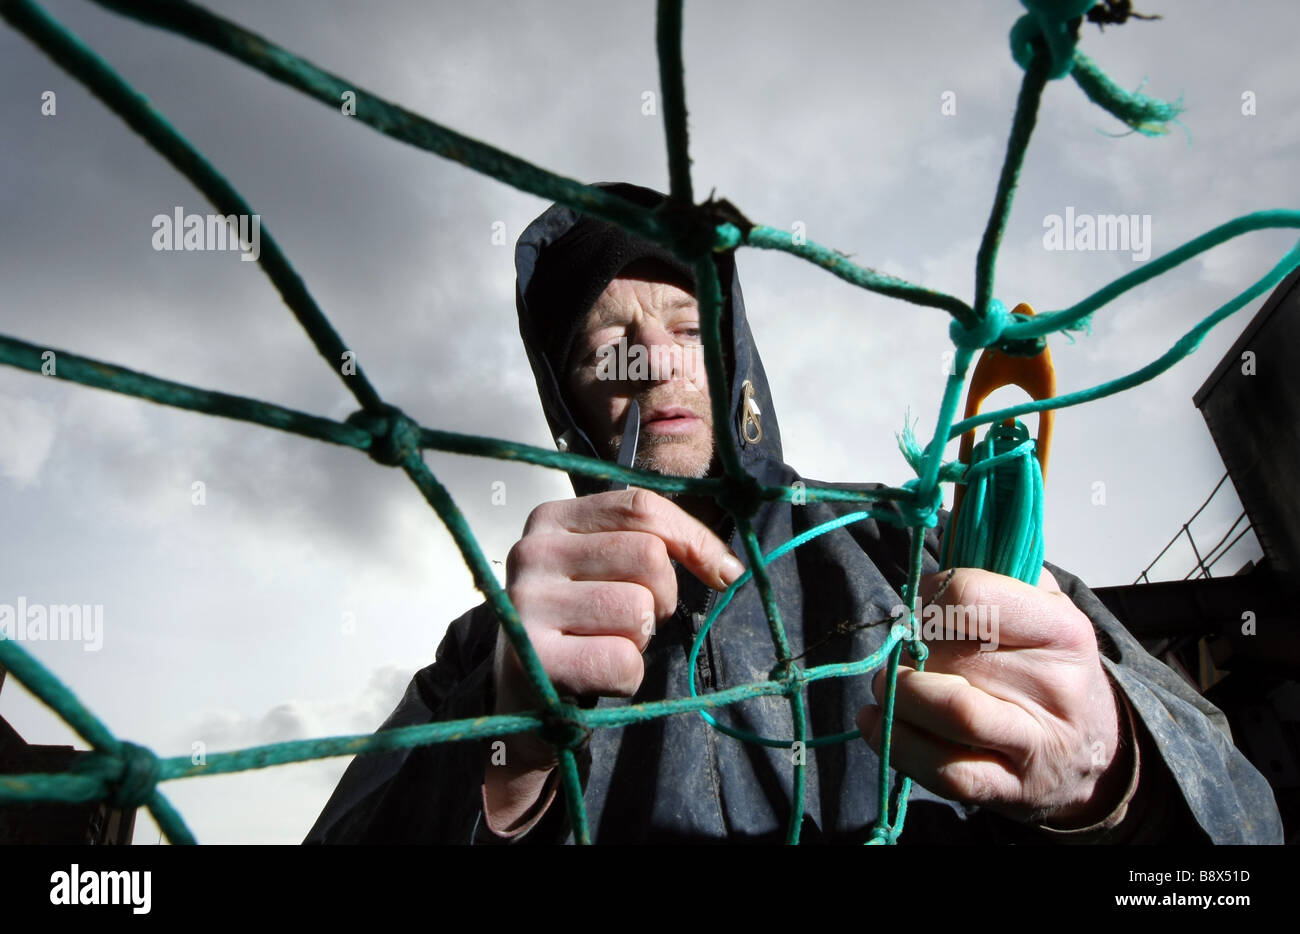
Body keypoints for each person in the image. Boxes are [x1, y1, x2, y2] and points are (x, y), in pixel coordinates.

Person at [304, 181, 1283, 844]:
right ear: (566, 406)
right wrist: (504, 759)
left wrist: (1111, 783)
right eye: (609, 349)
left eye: (687, 325)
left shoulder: (914, 549)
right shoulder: (487, 650)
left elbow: (1245, 835)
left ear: (736, 357)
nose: (655, 362)